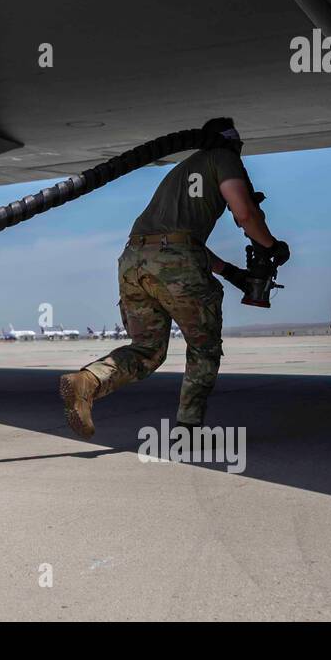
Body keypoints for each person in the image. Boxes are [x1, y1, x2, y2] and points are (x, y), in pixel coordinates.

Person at [57, 117, 289, 438]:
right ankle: (188, 430)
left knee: (147, 349)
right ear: (233, 144)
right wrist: (272, 246)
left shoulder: (181, 172)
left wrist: (233, 273)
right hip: (175, 261)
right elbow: (245, 213)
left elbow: (182, 244)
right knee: (203, 348)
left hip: (133, 261)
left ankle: (88, 381)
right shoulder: (224, 158)